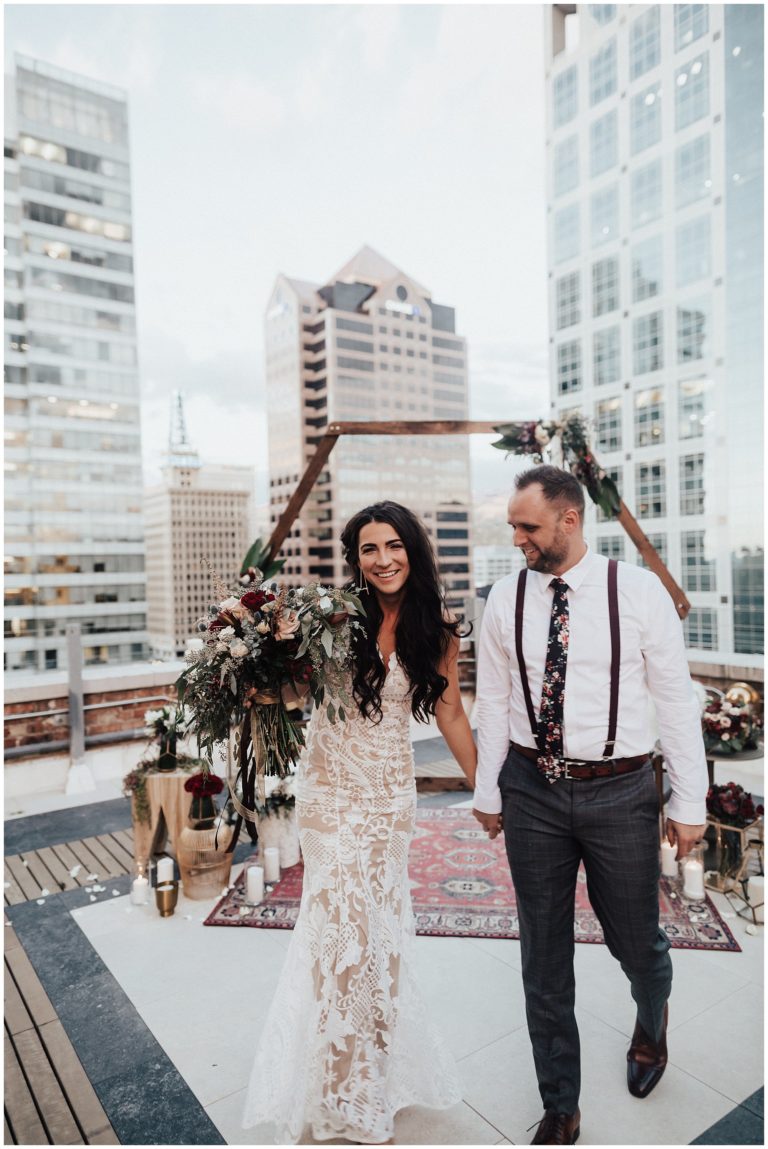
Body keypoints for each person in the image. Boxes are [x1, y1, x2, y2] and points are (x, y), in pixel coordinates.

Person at [472, 465, 707, 1146]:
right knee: (542, 955)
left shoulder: (637, 592)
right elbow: (494, 700)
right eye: (512, 526)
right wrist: (488, 789)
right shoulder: (504, 598)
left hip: (622, 789)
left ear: (569, 520)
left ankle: (651, 1021)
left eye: (528, 526)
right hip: (530, 787)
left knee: (637, 942)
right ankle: (560, 1105)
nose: (517, 538)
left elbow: (675, 700)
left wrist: (688, 800)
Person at [243, 500, 476, 1145]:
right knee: (335, 933)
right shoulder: (333, 618)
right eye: (369, 549)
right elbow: (295, 691)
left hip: (387, 802)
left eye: (393, 545)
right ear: (356, 559)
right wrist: (257, 681)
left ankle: (368, 1078)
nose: (382, 559)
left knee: (377, 937)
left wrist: (488, 789)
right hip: (328, 797)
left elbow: (452, 713)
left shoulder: (438, 630)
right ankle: (340, 1086)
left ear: (413, 551)